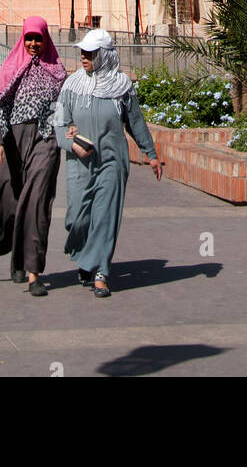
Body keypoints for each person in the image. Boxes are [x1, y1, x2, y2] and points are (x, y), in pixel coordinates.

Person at [54, 28, 161, 298]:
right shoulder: (72, 85)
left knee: (105, 216)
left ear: (104, 55)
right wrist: (71, 144)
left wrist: (151, 154)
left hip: (112, 162)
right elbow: (59, 123)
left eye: (90, 53)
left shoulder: (121, 87)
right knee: (78, 218)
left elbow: (136, 122)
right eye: (82, 52)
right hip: (79, 164)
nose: (84, 57)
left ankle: (100, 271)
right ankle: (85, 257)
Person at [0, 17, 66, 296]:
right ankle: (16, 260)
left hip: (46, 140)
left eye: (38, 39)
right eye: (29, 38)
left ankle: (33, 272)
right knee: (12, 200)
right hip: (14, 140)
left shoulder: (57, 70)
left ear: (46, 39)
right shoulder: (10, 66)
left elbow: (66, 105)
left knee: (37, 202)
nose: (33, 44)